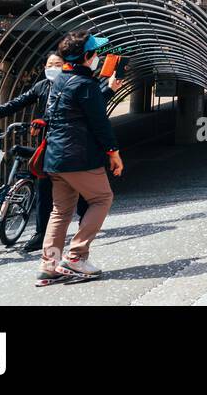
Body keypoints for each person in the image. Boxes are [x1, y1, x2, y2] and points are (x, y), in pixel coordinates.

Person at [39, 32, 123, 285]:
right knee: (102, 198)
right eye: (95, 53)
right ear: (87, 56)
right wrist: (113, 152)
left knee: (60, 211)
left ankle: (49, 265)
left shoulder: (60, 81)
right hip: (79, 156)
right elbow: (99, 123)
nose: (97, 56)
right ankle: (76, 256)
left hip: (56, 158)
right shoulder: (85, 85)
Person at [0, 53, 62, 252]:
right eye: (50, 64)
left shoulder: (70, 85)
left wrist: (46, 120)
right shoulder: (41, 86)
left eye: (58, 64)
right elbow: (14, 104)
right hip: (44, 142)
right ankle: (40, 229)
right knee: (37, 177)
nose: (53, 67)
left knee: (50, 190)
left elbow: (64, 111)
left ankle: (43, 234)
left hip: (61, 144)